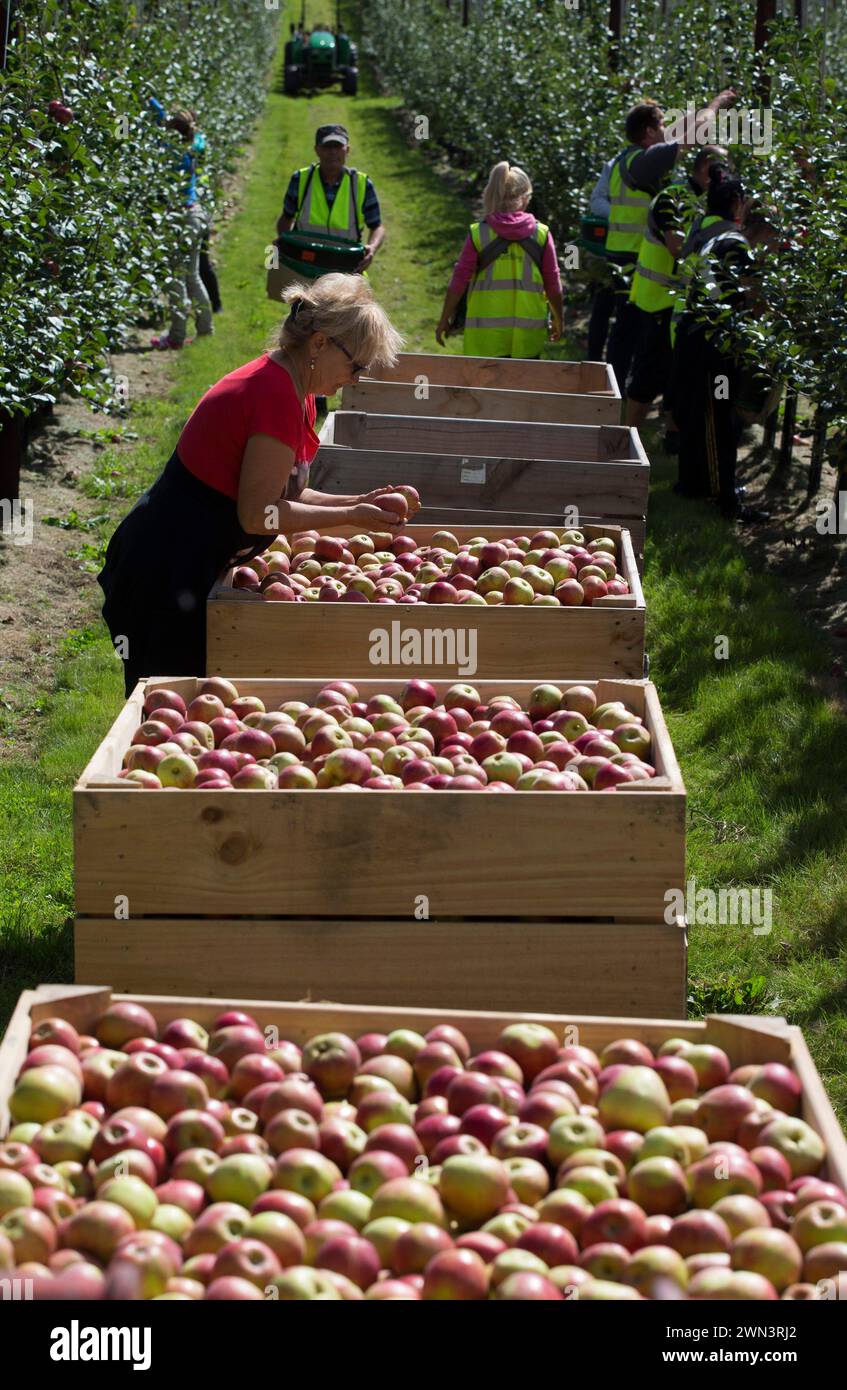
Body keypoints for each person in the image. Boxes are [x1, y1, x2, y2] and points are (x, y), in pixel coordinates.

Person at [99, 275, 405, 694]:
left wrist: (357, 501)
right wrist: (351, 515)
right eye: (356, 365)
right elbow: (259, 512)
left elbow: (283, 494)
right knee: (165, 706)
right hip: (164, 569)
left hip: (191, 561)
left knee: (187, 716)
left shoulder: (298, 390)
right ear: (318, 343)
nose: (357, 378)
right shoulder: (272, 394)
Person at [603, 92, 736, 396]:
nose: (668, 127)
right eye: (662, 123)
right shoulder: (647, 161)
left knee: (627, 332)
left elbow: (683, 130)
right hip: (633, 258)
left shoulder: (630, 158)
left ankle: (616, 395)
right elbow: (692, 134)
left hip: (623, 254)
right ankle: (616, 400)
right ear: (649, 132)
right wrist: (715, 106)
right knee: (630, 336)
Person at [667, 174, 775, 523]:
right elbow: (751, 296)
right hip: (712, 345)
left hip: (693, 335)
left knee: (696, 415)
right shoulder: (734, 245)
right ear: (736, 205)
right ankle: (724, 499)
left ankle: (692, 485)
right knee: (717, 420)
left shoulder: (710, 238)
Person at [625, 145, 727, 429]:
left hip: (681, 302)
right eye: (723, 168)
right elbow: (676, 247)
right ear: (708, 168)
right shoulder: (672, 198)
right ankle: (625, 436)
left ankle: (670, 434)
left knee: (677, 371)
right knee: (649, 372)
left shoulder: (707, 201)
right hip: (657, 300)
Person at [435, 162, 563, 358]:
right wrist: (558, 319)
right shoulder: (542, 235)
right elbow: (553, 284)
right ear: (525, 198)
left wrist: (444, 319)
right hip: (527, 337)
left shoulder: (479, 234)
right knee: (520, 388)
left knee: (484, 389)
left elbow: (458, 281)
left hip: (486, 338)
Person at [148, 103, 214, 351]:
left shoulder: (168, 149)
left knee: (174, 278)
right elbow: (189, 131)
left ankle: (176, 336)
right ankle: (206, 329)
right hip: (196, 214)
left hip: (177, 218)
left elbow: (160, 120)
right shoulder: (195, 145)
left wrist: (152, 101)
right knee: (192, 275)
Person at [276, 124, 385, 272]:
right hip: (305, 263)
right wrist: (285, 242)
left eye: (338, 147)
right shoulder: (300, 179)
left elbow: (377, 226)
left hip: (345, 266)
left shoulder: (362, 184)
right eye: (327, 147)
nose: (332, 152)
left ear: (347, 150)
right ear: (317, 150)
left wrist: (372, 248)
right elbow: (286, 217)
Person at [585, 156, 616, 361]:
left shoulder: (672, 169)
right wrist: (623, 216)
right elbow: (596, 202)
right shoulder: (616, 165)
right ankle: (594, 362)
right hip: (613, 250)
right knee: (603, 304)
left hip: (650, 253)